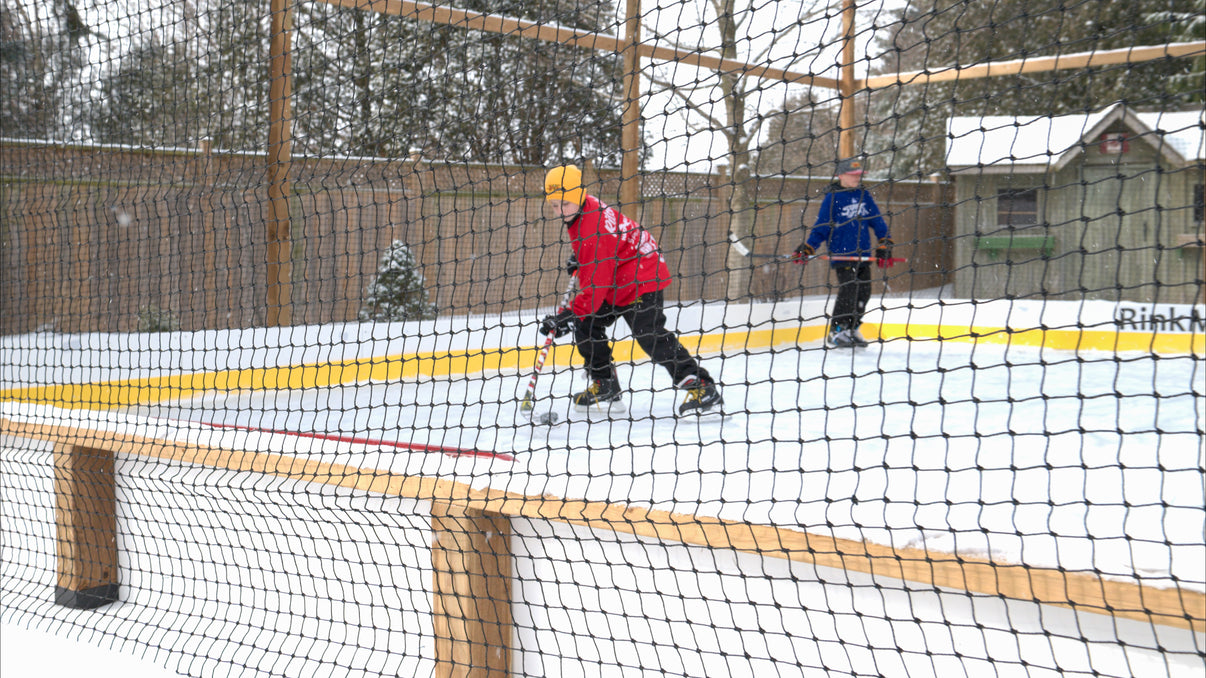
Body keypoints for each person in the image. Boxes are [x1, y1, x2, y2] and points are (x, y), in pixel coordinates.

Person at [539, 164, 723, 416]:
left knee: (648, 334)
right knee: (587, 324)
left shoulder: (593, 229)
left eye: (565, 204)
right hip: (620, 274)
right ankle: (605, 385)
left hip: (641, 275)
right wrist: (582, 258)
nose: (560, 211)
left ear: (579, 195)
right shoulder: (584, 208)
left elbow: (595, 284)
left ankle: (702, 386)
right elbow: (601, 254)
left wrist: (568, 317)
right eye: (554, 205)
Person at [793, 157, 894, 348]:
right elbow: (821, 227)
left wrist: (885, 243)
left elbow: (877, 221)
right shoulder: (833, 198)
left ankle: (852, 328)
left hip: (863, 255)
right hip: (842, 256)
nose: (857, 178)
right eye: (853, 175)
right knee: (849, 291)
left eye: (859, 175)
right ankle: (837, 331)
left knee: (864, 293)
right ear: (841, 175)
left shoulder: (864, 194)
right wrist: (808, 247)